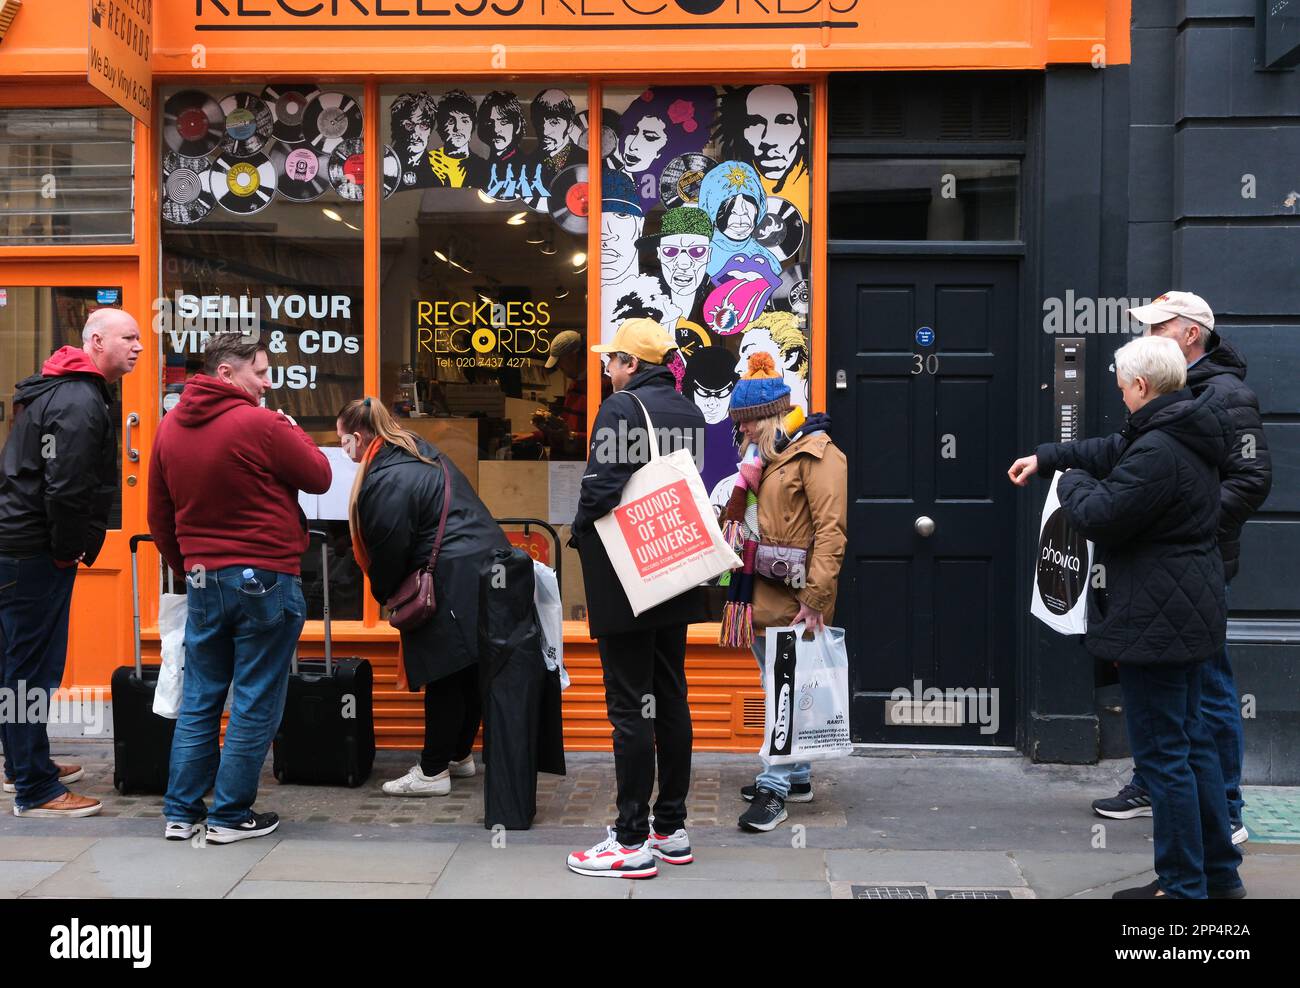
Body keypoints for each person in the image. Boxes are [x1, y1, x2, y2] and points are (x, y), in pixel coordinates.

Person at [1008, 335, 1244, 899]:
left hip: (1158, 622)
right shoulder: (1178, 430)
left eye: (1121, 389)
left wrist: (1068, 483)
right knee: (1195, 745)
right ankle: (1218, 877)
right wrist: (1052, 456)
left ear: (1141, 386)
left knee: (1165, 758)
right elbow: (1112, 449)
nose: (1120, 399)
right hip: (1193, 610)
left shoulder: (1159, 449)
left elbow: (1103, 515)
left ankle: (1184, 888)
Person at [1090, 293, 1271, 845]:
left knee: (1209, 689)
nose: (1147, 337)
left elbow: (1252, 479)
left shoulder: (1225, 394)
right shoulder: (1177, 388)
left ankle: (1227, 810)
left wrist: (1187, 525)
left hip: (1196, 564)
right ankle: (1158, 785)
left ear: (1190, 334)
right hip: (1171, 566)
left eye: (1158, 327)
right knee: (1179, 696)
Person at [149, 333, 332, 844]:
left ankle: (181, 814)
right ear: (227, 374)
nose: (268, 383)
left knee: (202, 696)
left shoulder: (168, 428)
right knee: (255, 697)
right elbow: (319, 476)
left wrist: (185, 567)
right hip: (266, 575)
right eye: (261, 372)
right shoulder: (262, 423)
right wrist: (296, 432)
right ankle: (230, 817)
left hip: (204, 578)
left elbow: (159, 515)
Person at [565, 318, 711, 879]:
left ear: (632, 363)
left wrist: (578, 531)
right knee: (670, 694)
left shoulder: (623, 409)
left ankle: (630, 843)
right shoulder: (687, 410)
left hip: (627, 575)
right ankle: (670, 828)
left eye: (612, 359)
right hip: (672, 569)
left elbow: (601, 485)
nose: (605, 368)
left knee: (629, 705)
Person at [0, 308, 142, 818]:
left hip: (18, 546)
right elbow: (65, 487)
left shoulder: (56, 388)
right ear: (97, 342)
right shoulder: (80, 400)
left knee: (16, 665)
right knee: (31, 672)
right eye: (129, 337)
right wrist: (68, 549)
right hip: (35, 552)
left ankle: (23, 763)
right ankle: (34, 788)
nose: (139, 347)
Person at [338, 397, 508, 797]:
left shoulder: (387, 476)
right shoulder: (419, 454)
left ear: (361, 439)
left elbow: (389, 546)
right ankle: (458, 756)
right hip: (480, 570)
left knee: (444, 675)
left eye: (345, 444)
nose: (345, 453)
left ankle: (432, 772)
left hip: (447, 580)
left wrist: (387, 592)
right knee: (468, 670)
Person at [717, 353, 846, 833]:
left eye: (748, 422)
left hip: (795, 599)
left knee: (784, 694)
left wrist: (815, 599)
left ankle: (774, 790)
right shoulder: (762, 459)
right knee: (783, 688)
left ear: (769, 417)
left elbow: (832, 532)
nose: (743, 431)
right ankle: (798, 776)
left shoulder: (816, 453)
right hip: (760, 592)